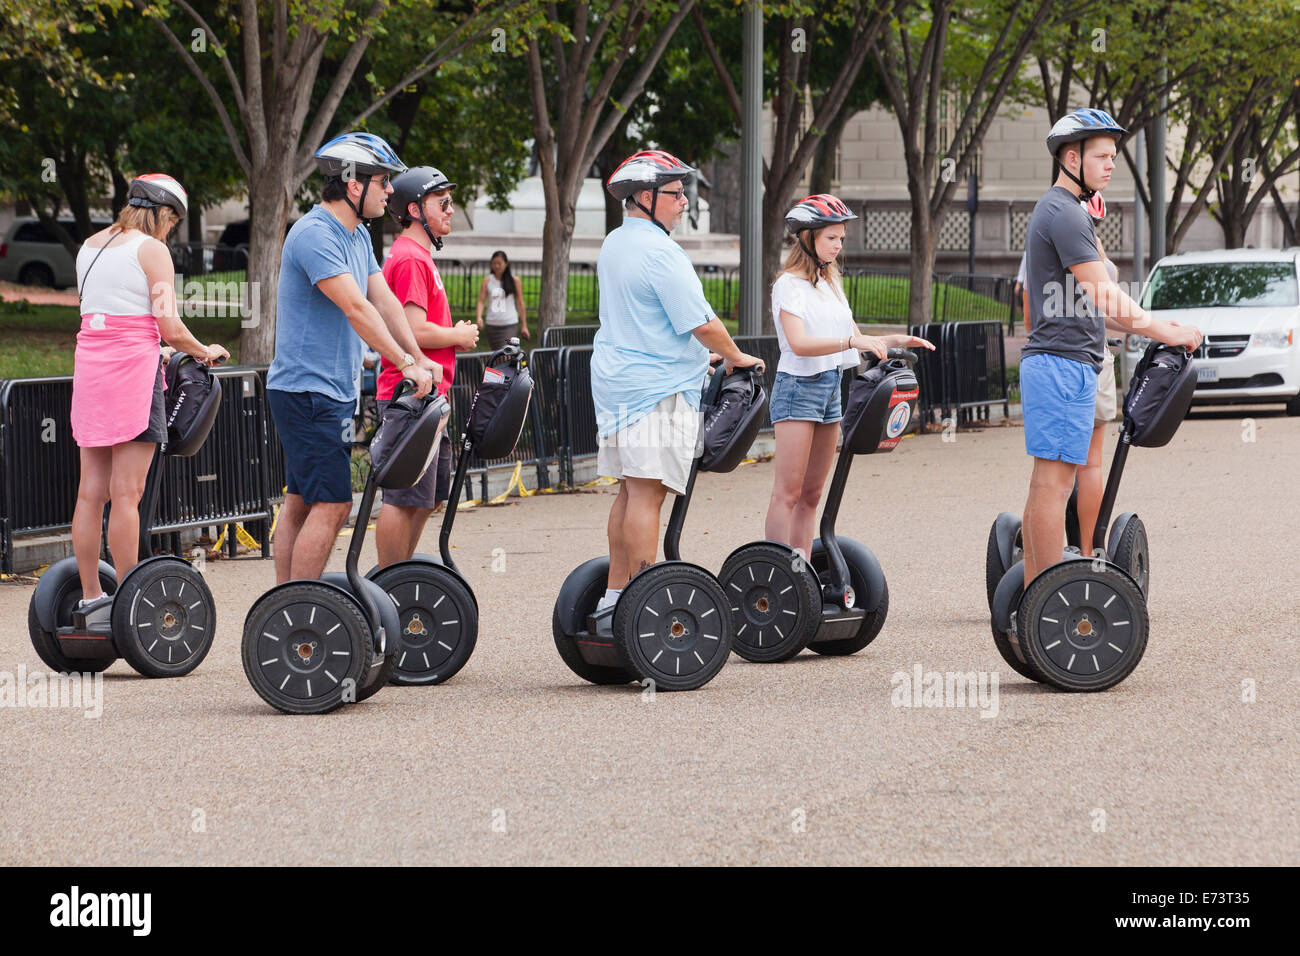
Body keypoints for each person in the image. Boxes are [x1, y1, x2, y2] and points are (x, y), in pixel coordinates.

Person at [1019, 109, 1202, 585]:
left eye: (1114, 156)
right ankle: (1043, 593)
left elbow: (1105, 297)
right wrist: (1169, 332)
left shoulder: (1069, 212)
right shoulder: (1062, 213)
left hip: (1070, 363)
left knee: (1051, 483)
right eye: (1102, 156)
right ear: (1072, 157)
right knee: (1053, 485)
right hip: (1060, 364)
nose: (1111, 165)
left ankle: (1037, 592)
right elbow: (1109, 301)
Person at [592, 148, 764, 612]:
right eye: (674, 192)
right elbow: (701, 322)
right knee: (648, 495)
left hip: (621, 385)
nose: (685, 200)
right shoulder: (661, 252)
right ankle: (644, 603)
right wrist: (736, 355)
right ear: (644, 197)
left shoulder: (615, 243)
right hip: (655, 391)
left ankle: (614, 597)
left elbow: (643, 320)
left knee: (631, 491)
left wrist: (696, 360)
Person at [266, 131, 437, 585]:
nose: (389, 191)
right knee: (336, 502)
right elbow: (356, 307)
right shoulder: (313, 234)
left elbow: (382, 300)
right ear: (354, 185)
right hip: (306, 391)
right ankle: (302, 605)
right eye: (383, 181)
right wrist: (404, 363)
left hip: (329, 392)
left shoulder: (357, 234)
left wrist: (418, 357)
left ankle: (286, 602)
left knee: (302, 499)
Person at [70, 173, 229, 616]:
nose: (170, 230)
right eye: (172, 221)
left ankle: (90, 596)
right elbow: (171, 327)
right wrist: (205, 350)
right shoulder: (152, 250)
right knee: (127, 495)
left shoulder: (90, 246)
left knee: (90, 493)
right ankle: (128, 600)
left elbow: (108, 316)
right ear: (162, 212)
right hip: (132, 379)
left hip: (91, 373)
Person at [765, 194, 932, 559]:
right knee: (788, 493)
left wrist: (897, 339)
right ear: (807, 238)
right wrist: (853, 340)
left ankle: (802, 572)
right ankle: (774, 573)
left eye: (841, 238)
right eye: (831, 238)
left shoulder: (830, 284)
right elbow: (799, 343)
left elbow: (855, 335)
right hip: (797, 388)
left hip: (829, 388)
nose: (838, 246)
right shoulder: (788, 285)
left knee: (812, 493)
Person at [374, 165, 479, 567]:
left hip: (427, 398)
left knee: (427, 497)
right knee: (403, 497)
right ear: (416, 209)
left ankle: (401, 574)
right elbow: (413, 332)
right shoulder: (410, 259)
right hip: (409, 396)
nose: (451, 210)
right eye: (444, 203)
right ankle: (390, 582)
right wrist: (456, 335)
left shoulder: (417, 256)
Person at [476, 250, 529, 350]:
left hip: (509, 324)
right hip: (492, 325)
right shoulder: (487, 280)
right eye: (494, 263)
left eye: (499, 263)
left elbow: (520, 303)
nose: (496, 266)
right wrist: (479, 317)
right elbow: (481, 300)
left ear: (506, 264)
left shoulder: (515, 281)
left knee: (506, 353)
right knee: (496, 356)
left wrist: (524, 326)